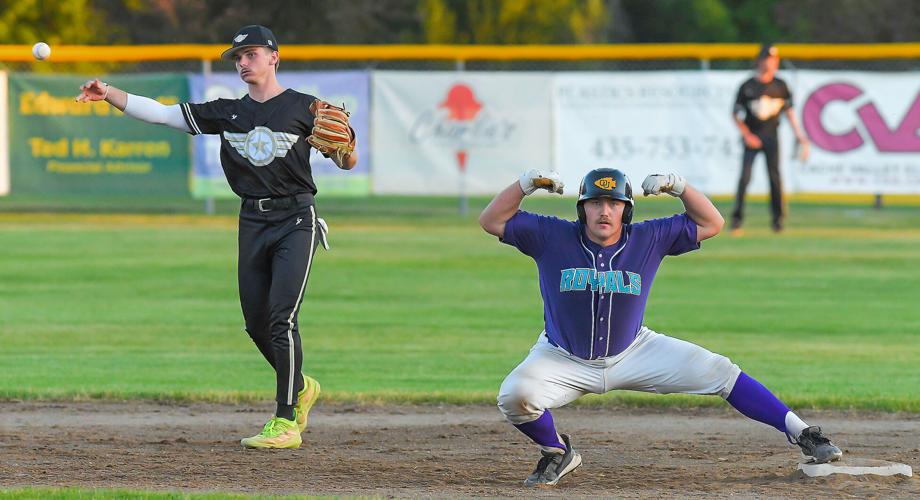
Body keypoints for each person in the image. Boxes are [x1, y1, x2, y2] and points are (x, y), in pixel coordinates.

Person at [77, 25, 358, 449]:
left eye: (250, 54)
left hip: (296, 218)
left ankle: (285, 420)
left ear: (273, 57)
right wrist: (110, 93)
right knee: (255, 322)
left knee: (281, 317)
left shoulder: (306, 107)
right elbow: (162, 113)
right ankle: (301, 387)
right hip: (252, 220)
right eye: (238, 57)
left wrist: (346, 149)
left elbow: (348, 161)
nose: (243, 62)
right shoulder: (228, 112)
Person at [479, 168, 841, 487]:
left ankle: (803, 433)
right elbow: (491, 220)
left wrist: (680, 187)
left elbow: (712, 223)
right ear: (581, 208)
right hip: (562, 356)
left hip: (635, 351)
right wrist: (523, 185)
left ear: (627, 209)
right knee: (515, 395)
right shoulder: (550, 235)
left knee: (721, 371)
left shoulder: (648, 237)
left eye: (615, 203)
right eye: (595, 203)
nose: (605, 211)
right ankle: (557, 452)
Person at [731, 43, 809, 234]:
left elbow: (789, 112)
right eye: (767, 59)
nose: (770, 63)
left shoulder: (780, 86)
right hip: (752, 138)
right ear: (759, 60)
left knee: (775, 177)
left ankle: (777, 221)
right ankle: (737, 220)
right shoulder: (748, 85)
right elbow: (735, 114)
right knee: (745, 178)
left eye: (773, 59)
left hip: (771, 137)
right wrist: (747, 135)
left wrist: (800, 135)